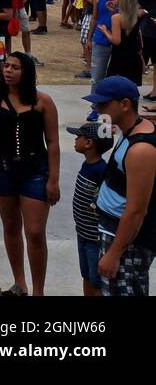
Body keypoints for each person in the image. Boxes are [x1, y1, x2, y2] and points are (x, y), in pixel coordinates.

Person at [0, 52, 61, 296]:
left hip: (36, 170)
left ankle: (39, 290)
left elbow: (53, 142)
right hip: (1, 168)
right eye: (6, 66)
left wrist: (54, 179)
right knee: (10, 225)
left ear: (26, 72)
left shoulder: (43, 102)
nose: (8, 70)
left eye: (15, 67)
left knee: (35, 232)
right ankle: (20, 283)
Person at [86, 76, 156, 296]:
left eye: (104, 103)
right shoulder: (128, 130)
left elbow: (136, 210)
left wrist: (115, 254)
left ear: (125, 105)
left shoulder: (141, 149)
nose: (98, 108)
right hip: (112, 229)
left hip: (127, 241)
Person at [67, 121, 113, 296]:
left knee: (96, 280)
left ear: (89, 143)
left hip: (95, 237)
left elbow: (103, 200)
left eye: (79, 136)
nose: (76, 138)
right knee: (86, 274)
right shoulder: (87, 165)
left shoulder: (100, 170)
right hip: (83, 233)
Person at [102, 0, 144, 88]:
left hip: (120, 58)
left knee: (116, 90)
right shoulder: (136, 15)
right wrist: (113, 11)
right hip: (134, 58)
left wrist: (105, 31)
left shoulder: (117, 18)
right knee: (130, 90)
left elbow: (116, 40)